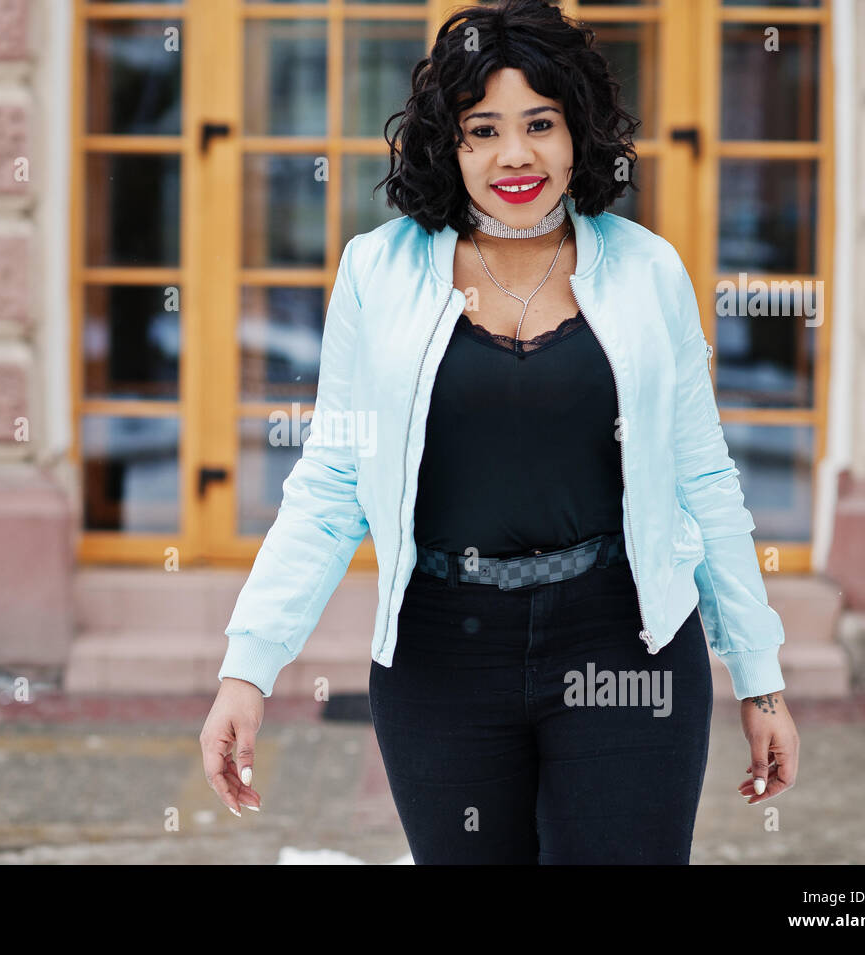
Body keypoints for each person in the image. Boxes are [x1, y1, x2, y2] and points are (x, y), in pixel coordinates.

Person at [199, 0, 799, 863]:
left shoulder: (647, 271)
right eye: (482, 129)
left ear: (577, 133)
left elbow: (704, 481)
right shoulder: (379, 271)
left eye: (540, 124)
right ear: (449, 145)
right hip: (441, 655)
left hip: (624, 644)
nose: (514, 156)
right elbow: (331, 485)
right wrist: (248, 668)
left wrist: (761, 680)